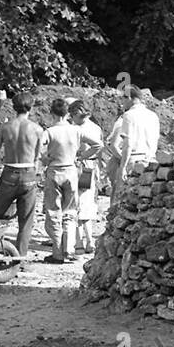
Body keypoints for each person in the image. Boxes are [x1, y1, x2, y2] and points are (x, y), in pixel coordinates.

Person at [0, 92, 45, 259]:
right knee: (26, 222)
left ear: (14, 107)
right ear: (31, 107)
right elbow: (37, 158)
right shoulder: (37, 129)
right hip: (29, 174)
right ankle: (19, 259)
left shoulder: (5, 128)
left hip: (9, 174)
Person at [104, 86, 160, 210]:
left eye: (123, 98)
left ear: (130, 98)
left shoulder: (128, 116)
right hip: (150, 160)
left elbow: (128, 143)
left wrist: (123, 167)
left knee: (122, 203)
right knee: (142, 202)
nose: (122, 102)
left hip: (133, 160)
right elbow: (156, 140)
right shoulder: (153, 116)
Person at [40, 97, 81, 263]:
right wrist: (81, 156)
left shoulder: (50, 131)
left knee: (53, 212)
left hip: (55, 171)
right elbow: (98, 145)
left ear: (52, 113)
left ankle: (57, 253)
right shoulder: (76, 130)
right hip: (71, 171)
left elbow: (38, 148)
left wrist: (44, 159)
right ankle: (69, 249)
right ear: (67, 113)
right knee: (70, 212)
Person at [69, 99, 104, 253]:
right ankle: (90, 241)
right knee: (88, 204)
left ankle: (78, 243)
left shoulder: (77, 129)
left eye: (72, 115)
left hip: (80, 167)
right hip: (93, 166)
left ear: (77, 114)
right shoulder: (96, 128)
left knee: (76, 204)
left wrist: (81, 156)